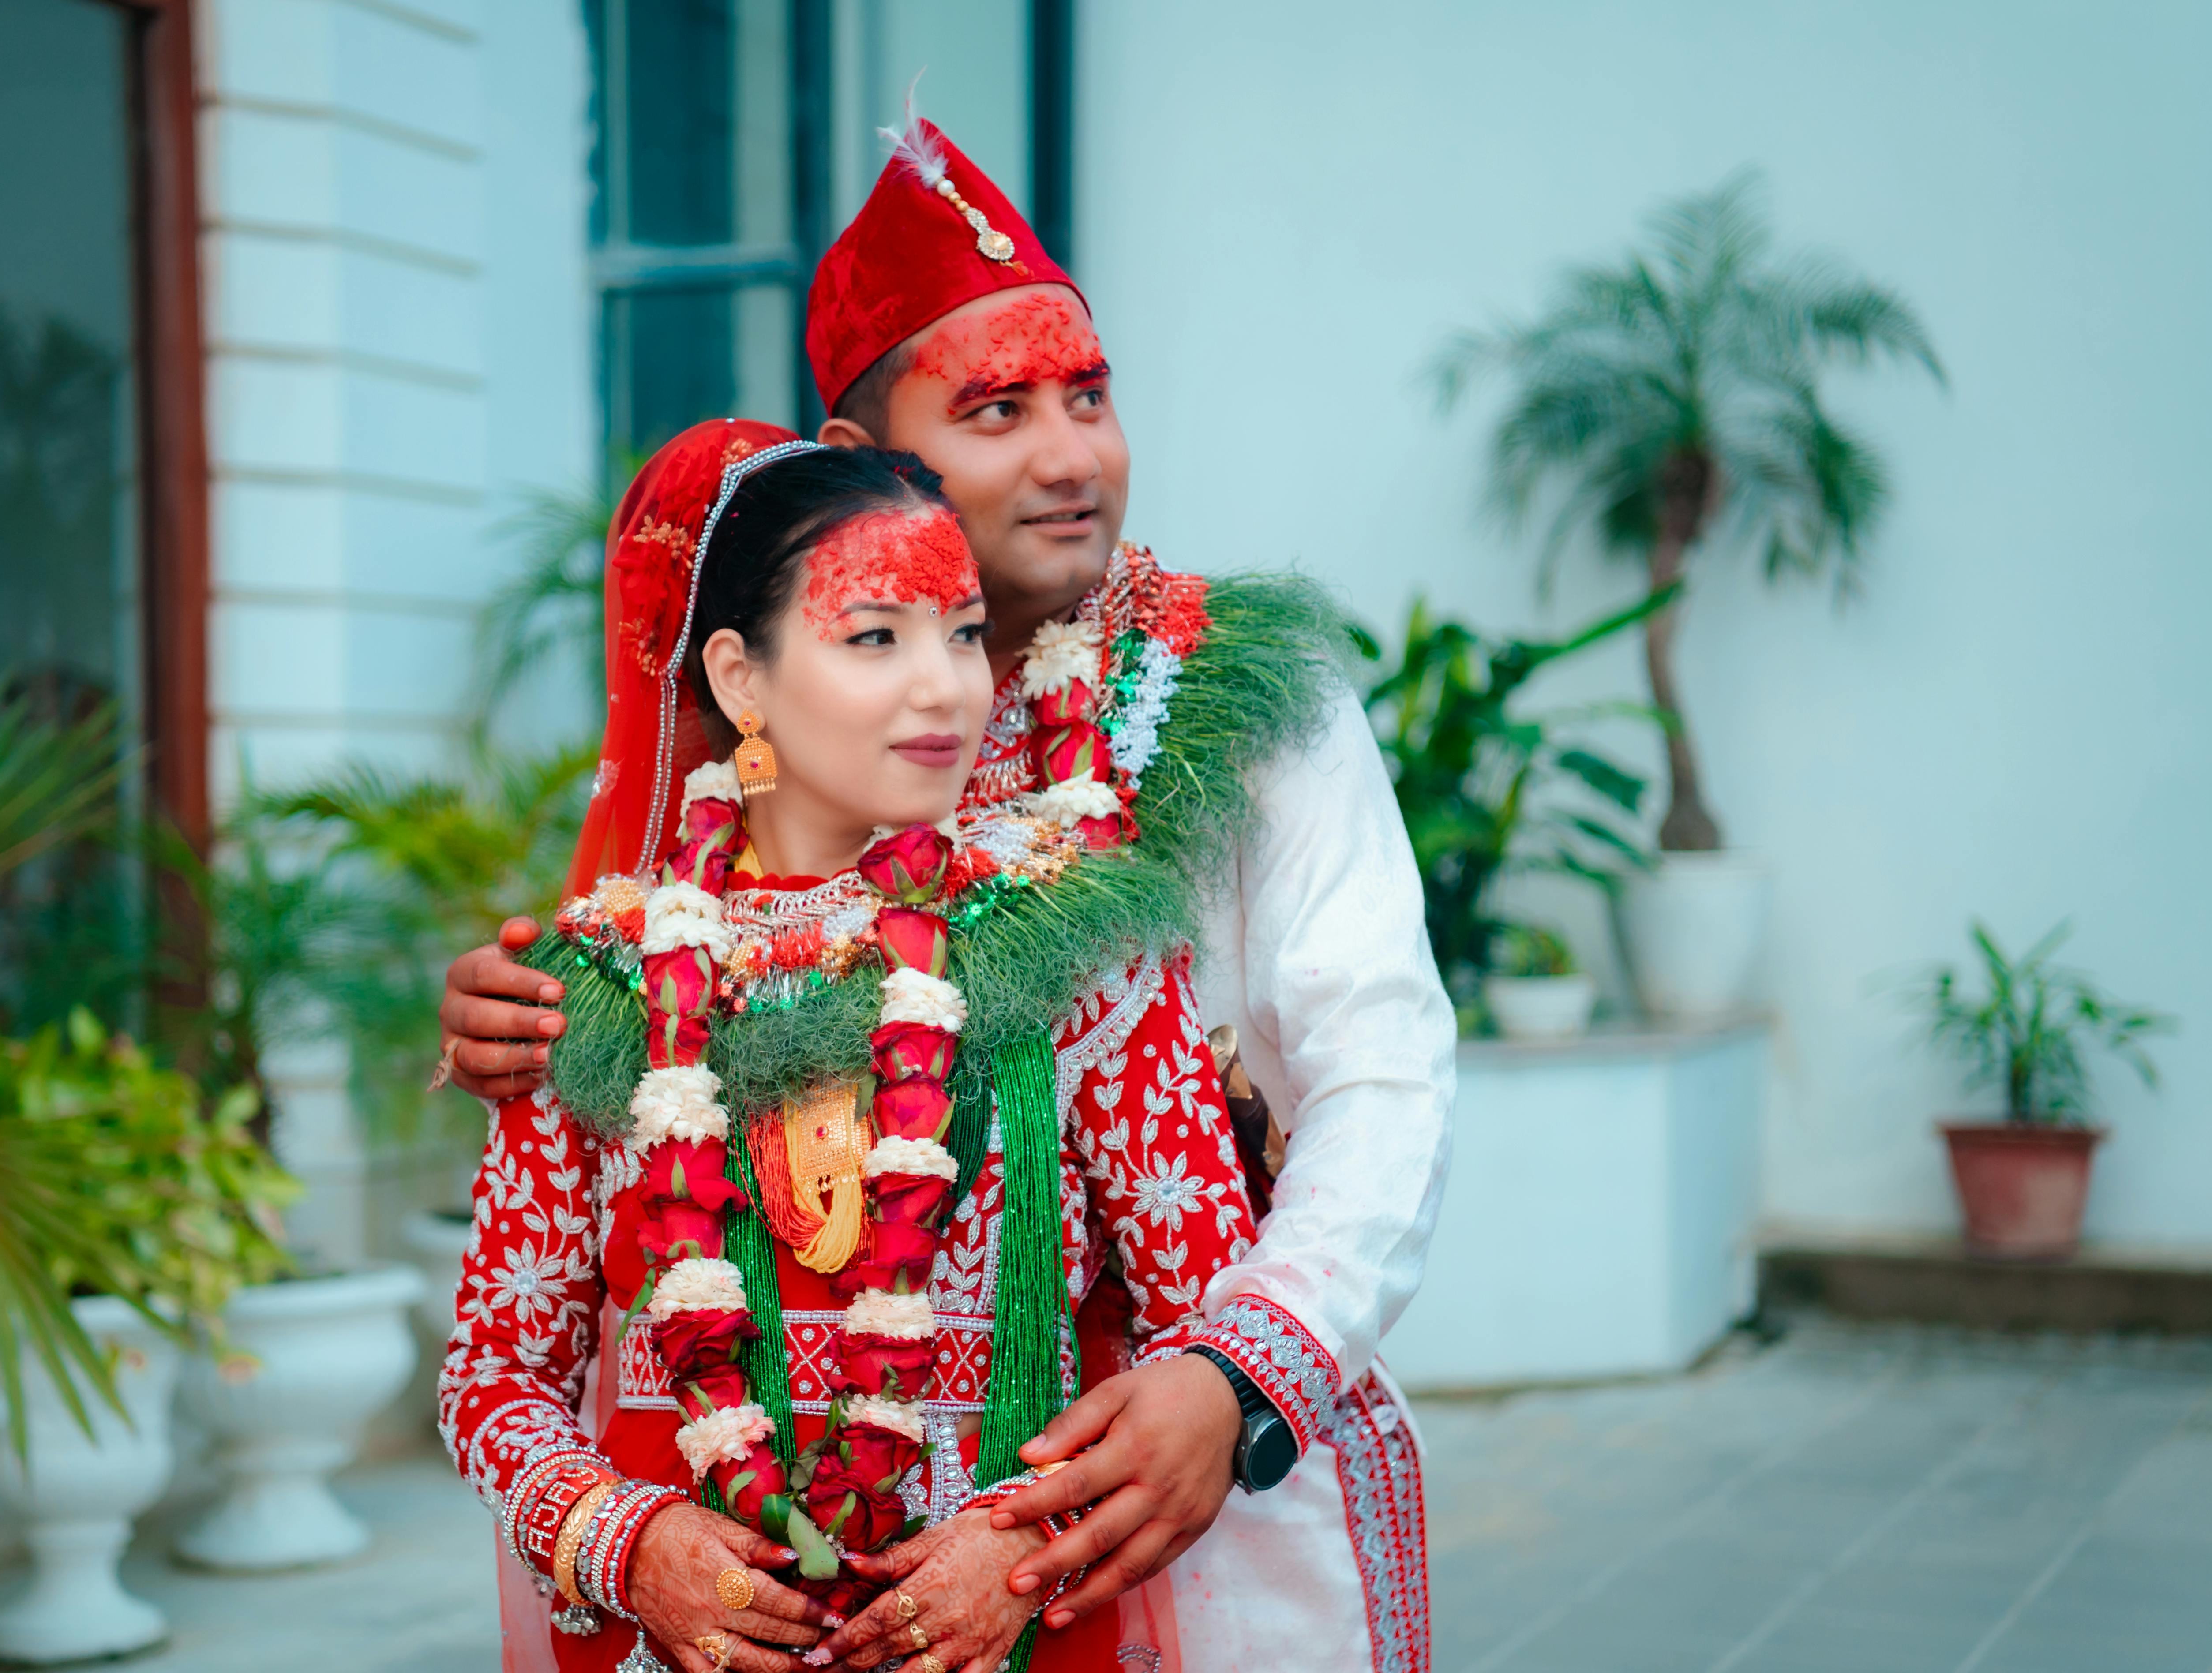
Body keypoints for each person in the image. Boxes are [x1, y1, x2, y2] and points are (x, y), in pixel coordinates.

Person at [442, 121, 1454, 1673]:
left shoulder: (1230, 705)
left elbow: (1381, 1072)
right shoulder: (722, 841)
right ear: (870, 447)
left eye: (1091, 397)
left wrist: (1235, 1380)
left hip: (1165, 1479)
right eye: (998, 410)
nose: (1071, 456)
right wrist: (526, 1016)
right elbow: (522, 1317)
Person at [441, 424, 1320, 1673]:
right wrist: (630, 1546)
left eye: (963, 632)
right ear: (741, 680)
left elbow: (1208, 1329)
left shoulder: (1075, 943)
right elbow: (493, 1373)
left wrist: (1025, 1551)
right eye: (876, 639)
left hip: (1015, 1635)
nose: (946, 687)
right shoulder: (601, 989)